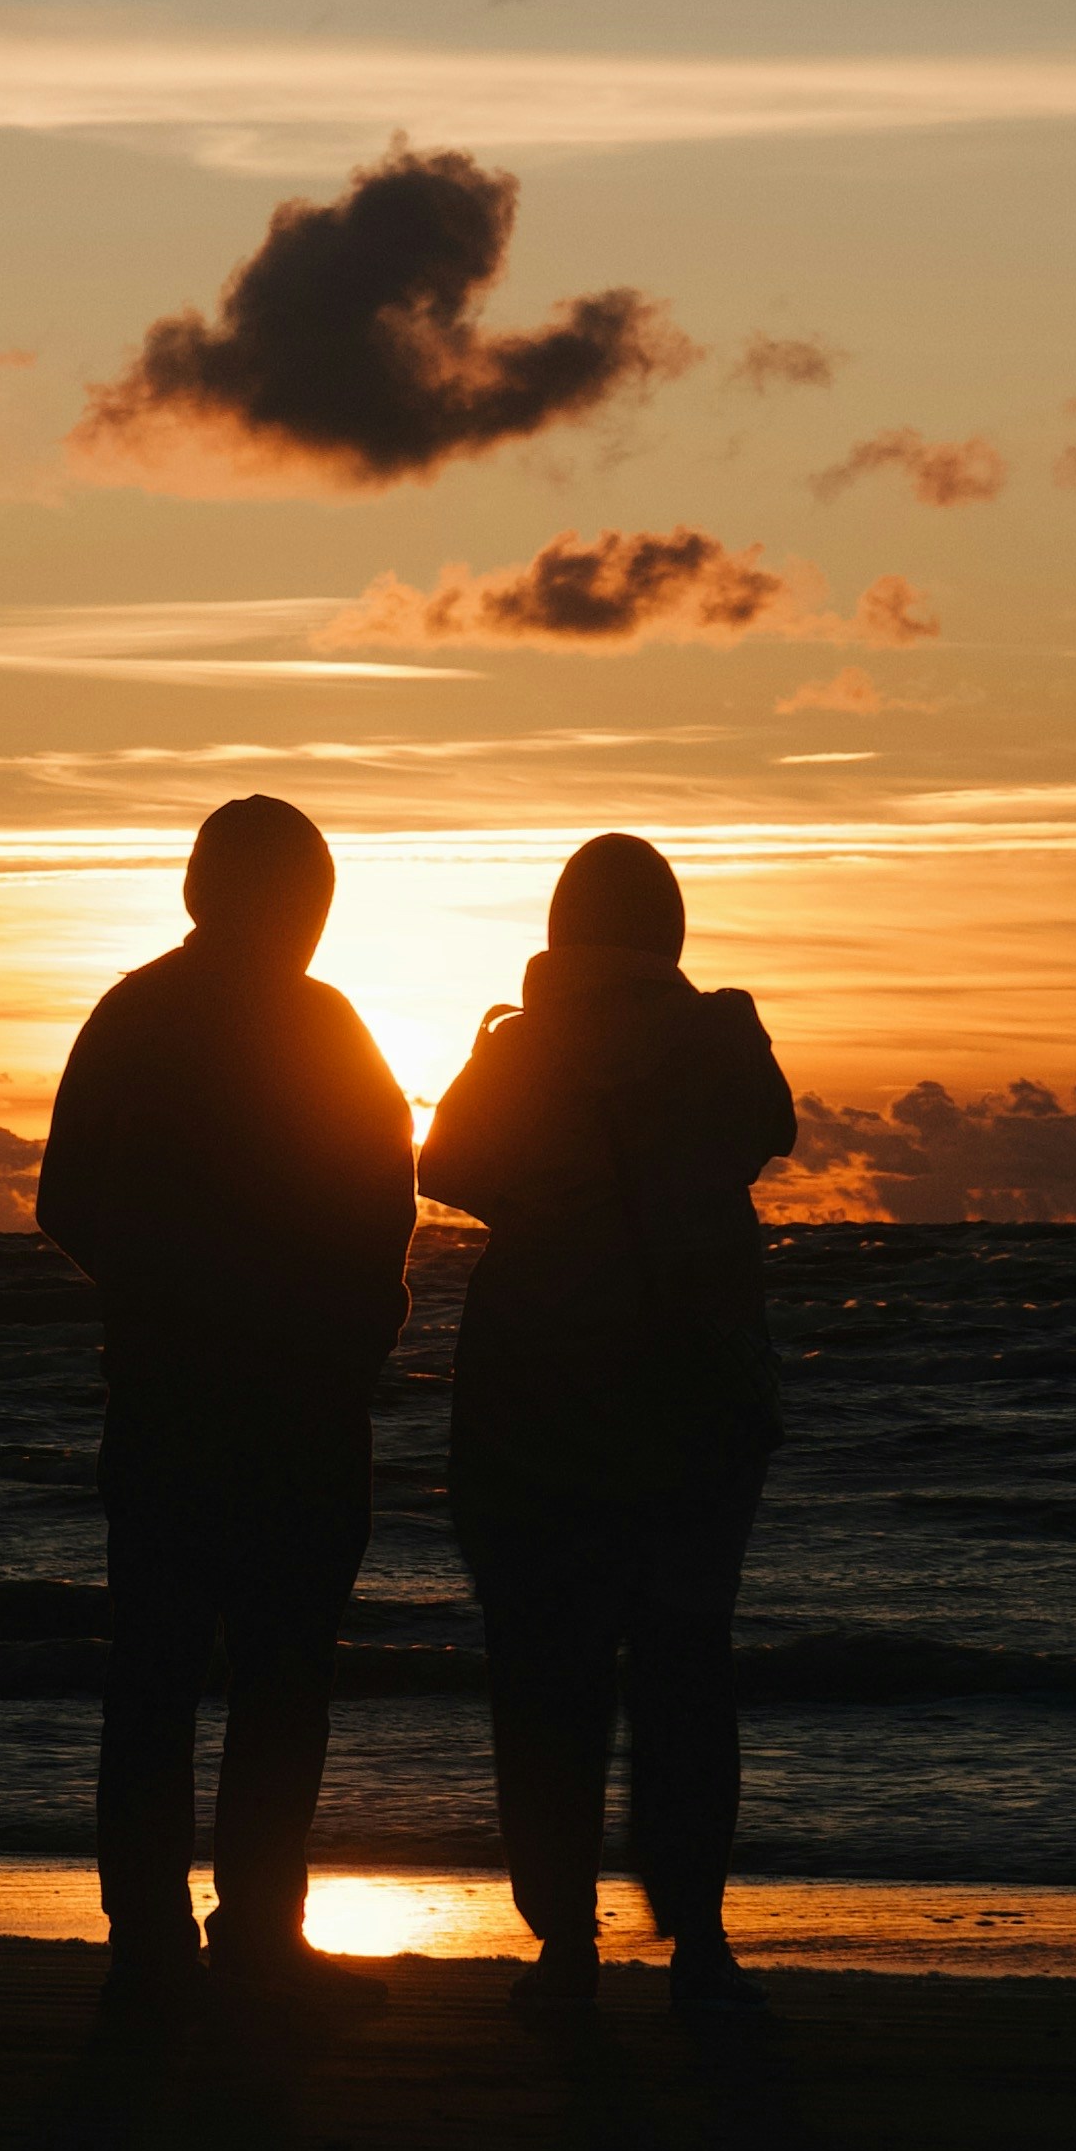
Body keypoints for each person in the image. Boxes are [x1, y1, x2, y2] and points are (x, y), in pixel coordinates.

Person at [35, 796, 419, 2015]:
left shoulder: (132, 1016)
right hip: (298, 1401)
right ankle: (256, 1923)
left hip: (170, 1392)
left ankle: (149, 1927)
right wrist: (355, 1329)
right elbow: (383, 1207)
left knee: (157, 1666)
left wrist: (153, 1287)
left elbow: (63, 1200)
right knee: (282, 1667)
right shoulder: (326, 1026)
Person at [417, 832, 795, 2014]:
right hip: (695, 1395)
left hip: (537, 1400)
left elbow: (446, 1163)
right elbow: (768, 1131)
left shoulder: (519, 1054)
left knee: (546, 1667)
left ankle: (565, 1932)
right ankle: (698, 1927)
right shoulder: (719, 1038)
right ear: (668, 931)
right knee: (687, 1654)